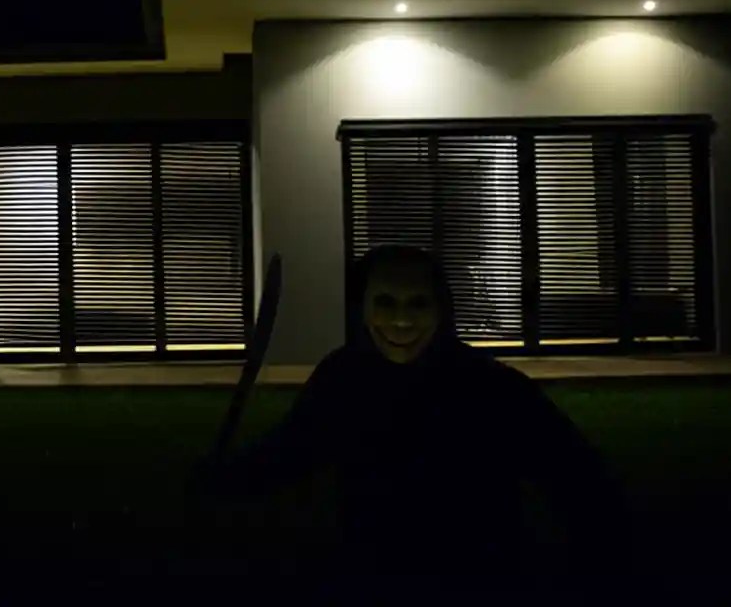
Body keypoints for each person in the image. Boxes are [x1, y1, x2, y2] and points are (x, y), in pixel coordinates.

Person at [194, 244, 624, 580]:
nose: (401, 321)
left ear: (442, 310)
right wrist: (227, 478)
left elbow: (578, 477)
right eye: (386, 302)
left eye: (417, 303)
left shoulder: (492, 388)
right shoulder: (344, 379)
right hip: (372, 575)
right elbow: (292, 450)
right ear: (361, 308)